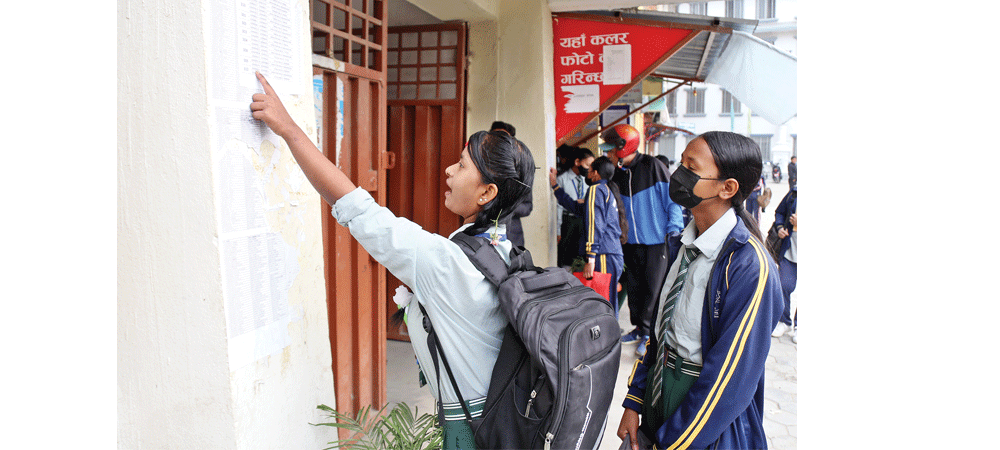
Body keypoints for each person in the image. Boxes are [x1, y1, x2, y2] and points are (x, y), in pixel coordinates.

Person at [250, 72, 534, 450]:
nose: (449, 171)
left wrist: (289, 131)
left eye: (462, 166)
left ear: (487, 192)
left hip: (473, 430)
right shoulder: (503, 250)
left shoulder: (448, 262)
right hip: (504, 416)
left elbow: (357, 207)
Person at [615, 131, 783, 450]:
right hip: (659, 389)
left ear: (727, 188)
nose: (678, 175)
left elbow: (728, 380)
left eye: (691, 167)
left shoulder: (748, 267)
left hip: (701, 419)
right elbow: (663, 329)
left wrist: (672, 442)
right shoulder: (684, 243)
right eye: (680, 164)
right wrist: (635, 399)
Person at [601, 124, 684, 356]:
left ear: (623, 147)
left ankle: (649, 334)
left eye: (610, 149)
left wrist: (674, 229)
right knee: (635, 288)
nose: (607, 154)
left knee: (653, 289)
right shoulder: (617, 174)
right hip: (630, 243)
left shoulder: (653, 166)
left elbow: (672, 200)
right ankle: (639, 328)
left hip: (656, 241)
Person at [549, 156, 627, 315]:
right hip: (611, 254)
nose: (587, 173)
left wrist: (591, 258)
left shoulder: (596, 190)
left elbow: (594, 224)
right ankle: (609, 336)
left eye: (589, 170)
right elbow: (576, 208)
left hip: (603, 255)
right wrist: (555, 186)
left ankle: (608, 337)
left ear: (595, 173)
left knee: (603, 303)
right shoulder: (606, 190)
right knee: (607, 301)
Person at [491, 121, 531, 248]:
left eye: (504, 138)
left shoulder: (521, 169)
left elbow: (527, 207)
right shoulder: (477, 164)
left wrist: (504, 207)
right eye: (495, 136)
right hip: (481, 234)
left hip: (512, 237)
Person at [555, 146, 595, 267]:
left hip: (583, 221)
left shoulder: (588, 180)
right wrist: (557, 230)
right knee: (566, 256)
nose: (589, 169)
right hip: (568, 222)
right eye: (587, 165)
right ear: (577, 162)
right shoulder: (562, 179)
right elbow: (558, 206)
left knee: (580, 255)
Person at [770, 185, 798, 341]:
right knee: (783, 285)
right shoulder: (795, 192)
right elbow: (780, 212)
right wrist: (780, 227)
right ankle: (784, 320)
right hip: (789, 249)